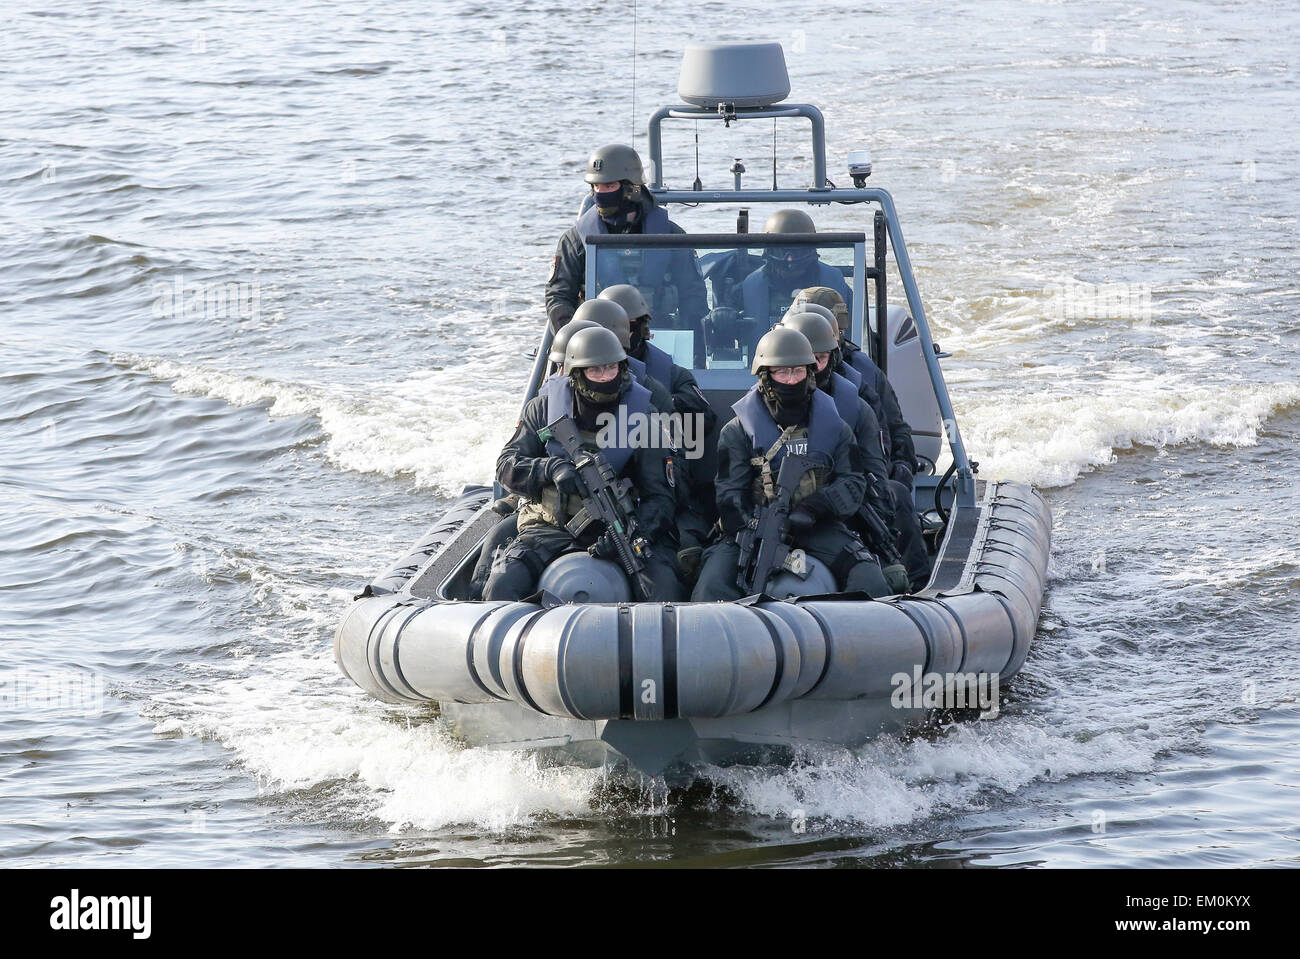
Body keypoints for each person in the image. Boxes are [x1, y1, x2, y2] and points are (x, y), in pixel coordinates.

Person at [483, 326, 683, 601]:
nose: (605, 377)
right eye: (595, 371)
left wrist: (629, 534)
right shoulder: (542, 410)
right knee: (501, 584)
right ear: (577, 374)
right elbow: (506, 466)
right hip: (548, 528)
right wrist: (548, 469)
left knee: (664, 591)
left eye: (611, 368)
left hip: (622, 532)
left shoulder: (644, 420)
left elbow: (661, 498)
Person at [691, 327, 890, 602]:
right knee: (709, 587)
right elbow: (728, 495)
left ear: (809, 374)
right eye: (782, 372)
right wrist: (756, 527)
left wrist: (816, 507)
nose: (791, 379)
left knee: (869, 578)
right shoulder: (737, 431)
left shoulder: (836, 428)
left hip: (817, 526)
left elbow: (854, 483)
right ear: (765, 376)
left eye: (798, 371)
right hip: (753, 529)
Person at [791, 286, 930, 588]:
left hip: (856, 481)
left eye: (820, 356)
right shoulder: (776, 376)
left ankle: (918, 586)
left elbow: (889, 432)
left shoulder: (859, 382)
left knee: (897, 498)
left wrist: (896, 471)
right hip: (795, 492)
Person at [599, 283, 719, 582]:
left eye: (627, 326)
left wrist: (652, 406)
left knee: (687, 558)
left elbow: (703, 418)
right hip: (594, 493)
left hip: (663, 488)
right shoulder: (566, 384)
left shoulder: (665, 373)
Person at [544, 144, 708, 334]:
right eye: (596, 186)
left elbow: (693, 297)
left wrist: (693, 347)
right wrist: (573, 342)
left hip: (661, 335)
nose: (601, 194)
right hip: (597, 342)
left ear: (632, 189)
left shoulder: (672, 238)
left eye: (609, 186)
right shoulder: (576, 241)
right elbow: (558, 296)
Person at [741, 210, 852, 329]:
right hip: (762, 348)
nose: (789, 259)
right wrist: (724, 321)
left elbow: (854, 334)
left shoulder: (834, 282)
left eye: (797, 250)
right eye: (782, 250)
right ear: (769, 249)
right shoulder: (748, 288)